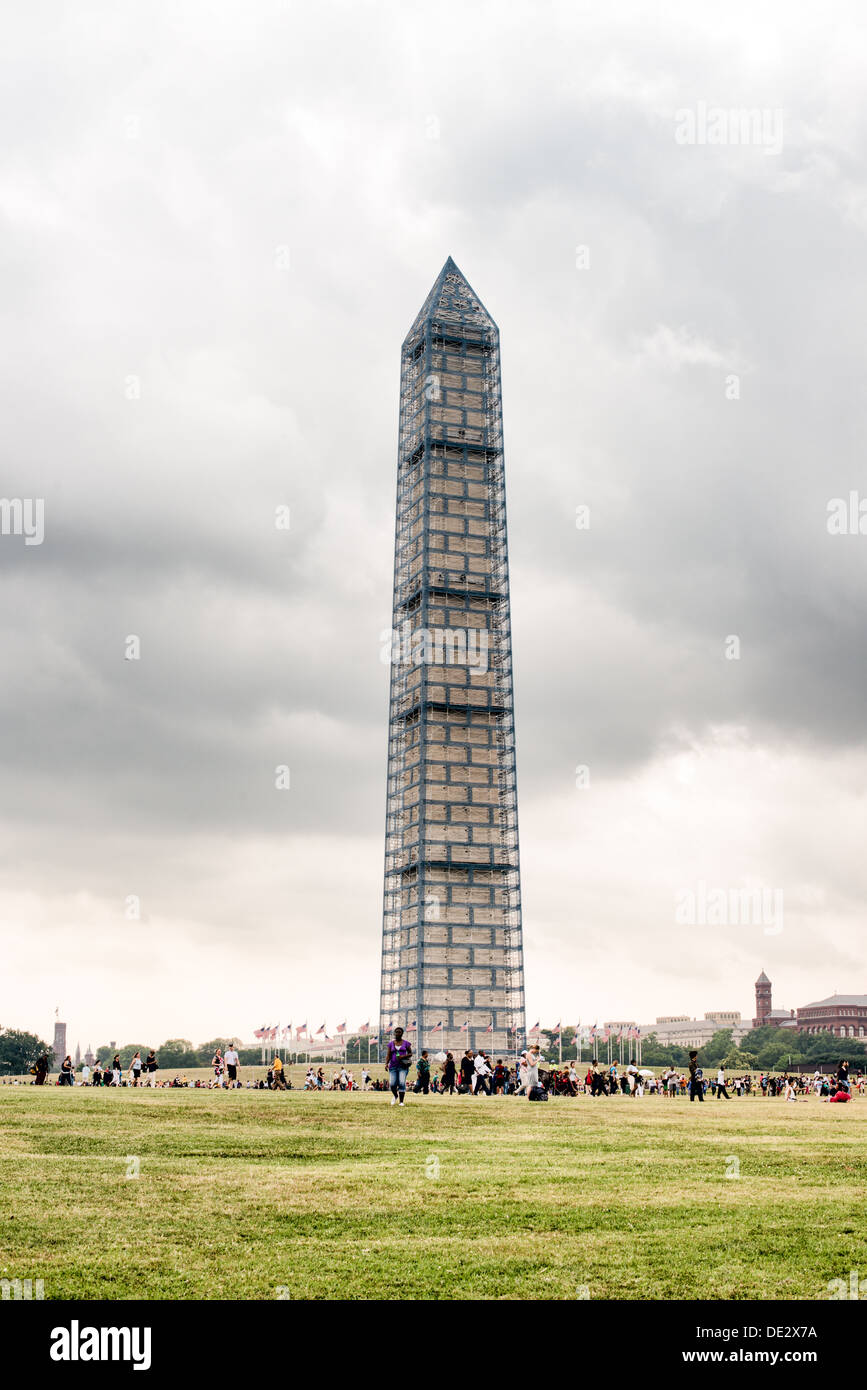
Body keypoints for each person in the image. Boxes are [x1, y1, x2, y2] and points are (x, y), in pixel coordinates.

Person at [385, 1026, 412, 1107]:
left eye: (399, 1032)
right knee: (392, 1084)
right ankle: (395, 1096)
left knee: (401, 1082)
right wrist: (386, 1063)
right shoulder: (391, 1044)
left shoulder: (406, 1043)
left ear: (402, 1033)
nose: (397, 1033)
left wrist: (403, 1057)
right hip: (393, 1066)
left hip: (403, 1067)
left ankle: (401, 1101)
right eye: (396, 1032)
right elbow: (388, 1055)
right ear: (394, 1033)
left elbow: (410, 1053)